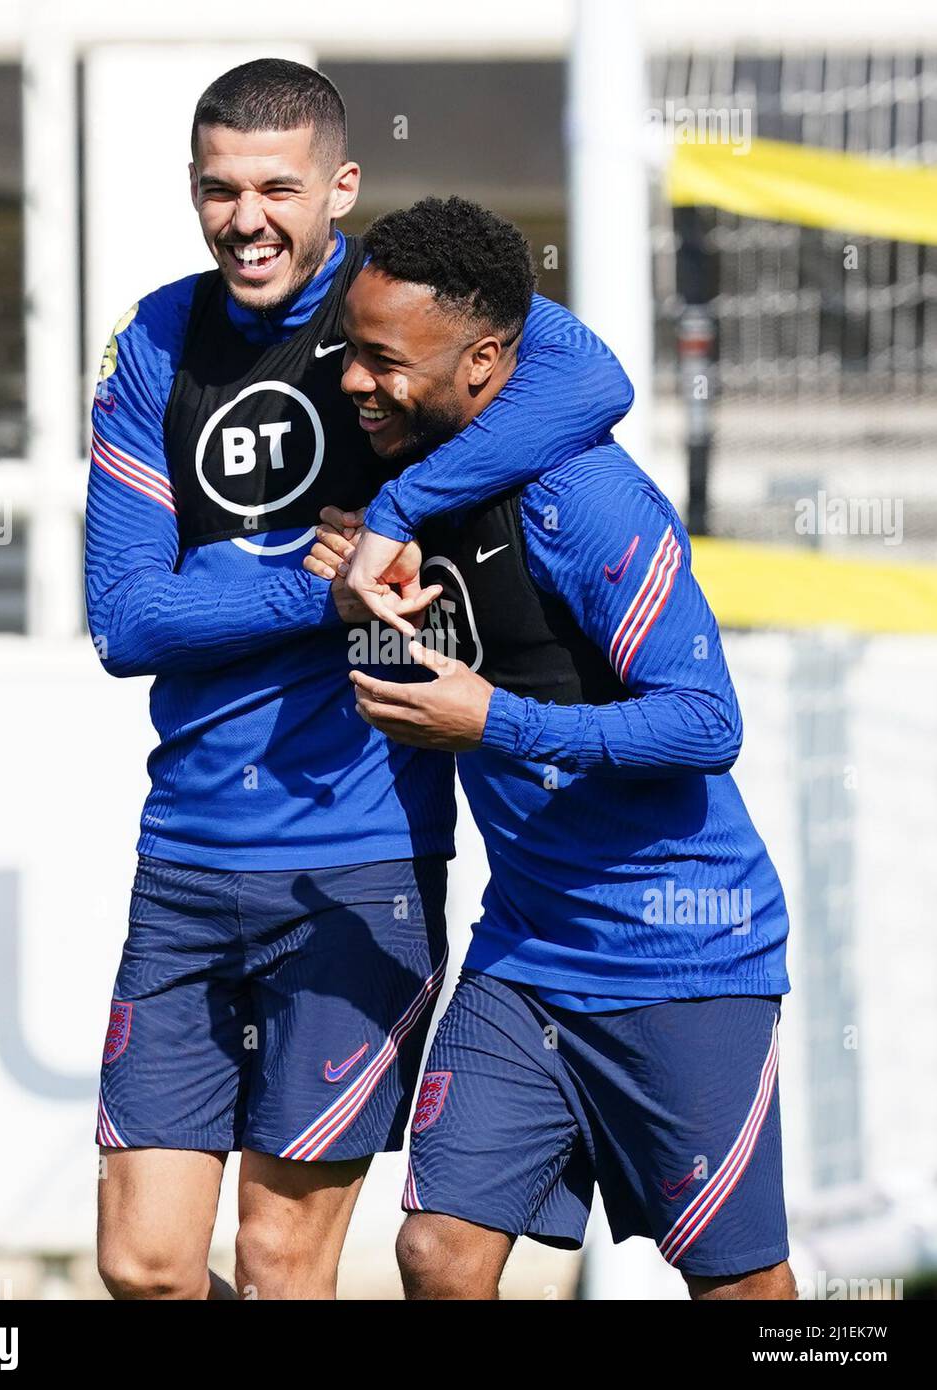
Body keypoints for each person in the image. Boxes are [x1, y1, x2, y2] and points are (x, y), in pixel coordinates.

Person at [86, 60, 634, 1300]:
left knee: (285, 1261)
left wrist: (393, 510)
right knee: (146, 1267)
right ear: (192, 190)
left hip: (362, 856)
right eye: (220, 189)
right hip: (184, 854)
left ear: (340, 185)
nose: (247, 218)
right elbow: (124, 617)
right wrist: (311, 588)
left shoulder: (401, 308)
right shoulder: (154, 342)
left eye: (278, 186)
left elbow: (595, 379)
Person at [308, 195, 794, 1300]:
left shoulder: (588, 499)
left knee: (740, 1289)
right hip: (525, 953)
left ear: (483, 362)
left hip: (681, 953)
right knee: (434, 1254)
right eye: (352, 349)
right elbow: (469, 653)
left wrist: (497, 724)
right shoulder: (414, 472)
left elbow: (705, 721)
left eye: (384, 362)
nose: (353, 381)